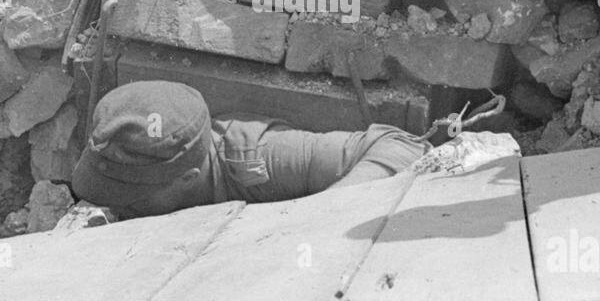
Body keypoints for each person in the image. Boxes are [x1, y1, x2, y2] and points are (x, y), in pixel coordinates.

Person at [70, 81, 431, 218]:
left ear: (189, 177)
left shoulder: (255, 158)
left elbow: (400, 146)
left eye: (132, 200)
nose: (115, 207)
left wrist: (317, 218)